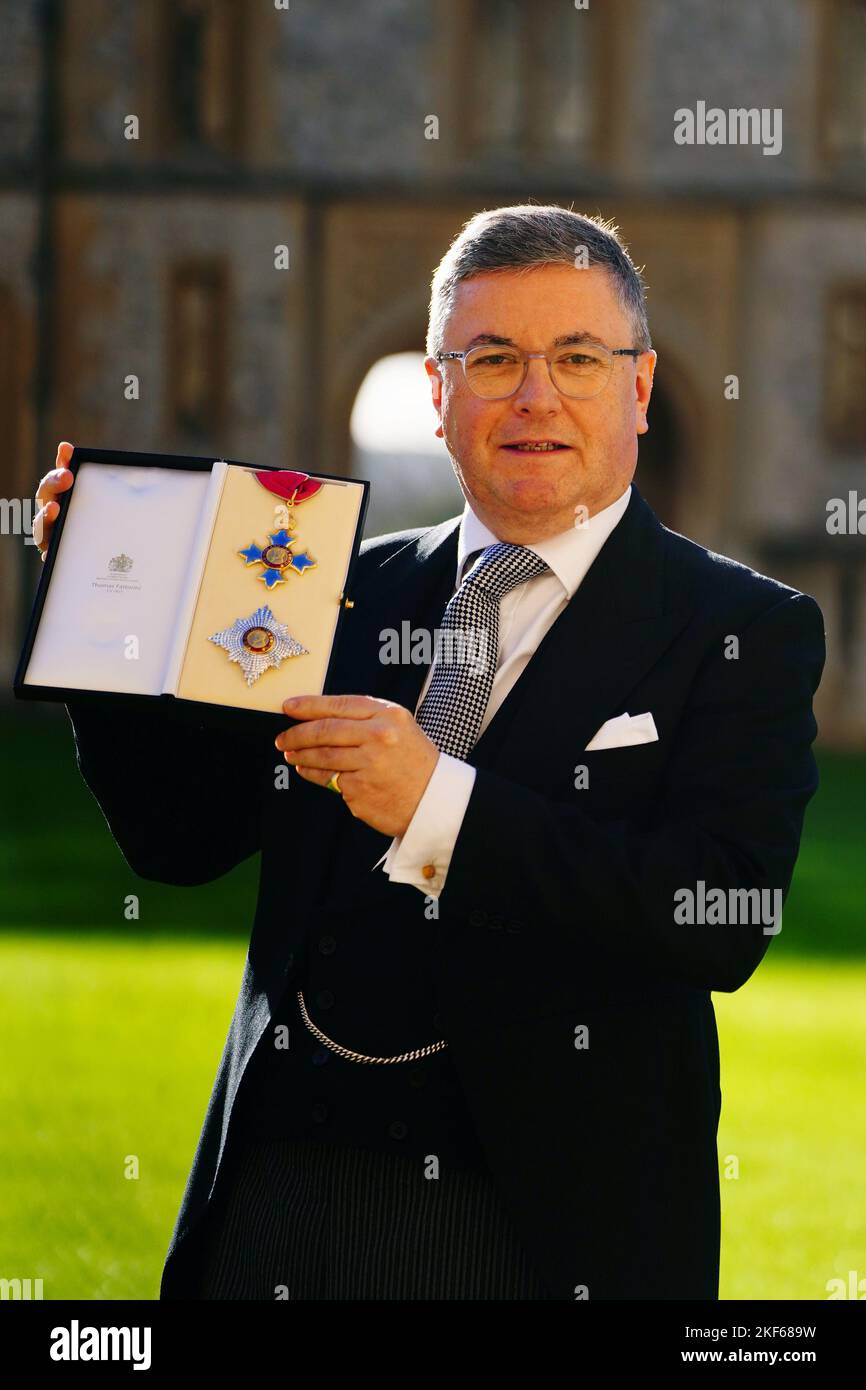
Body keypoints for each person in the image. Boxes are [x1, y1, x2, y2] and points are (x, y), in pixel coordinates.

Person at [34, 205, 825, 1300]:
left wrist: (437, 802)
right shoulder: (327, 583)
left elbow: (714, 916)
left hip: (538, 1226)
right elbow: (180, 842)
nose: (534, 395)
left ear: (637, 389)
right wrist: (99, 620)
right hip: (275, 1194)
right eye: (492, 357)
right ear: (437, 391)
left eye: (577, 358)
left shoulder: (742, 628)